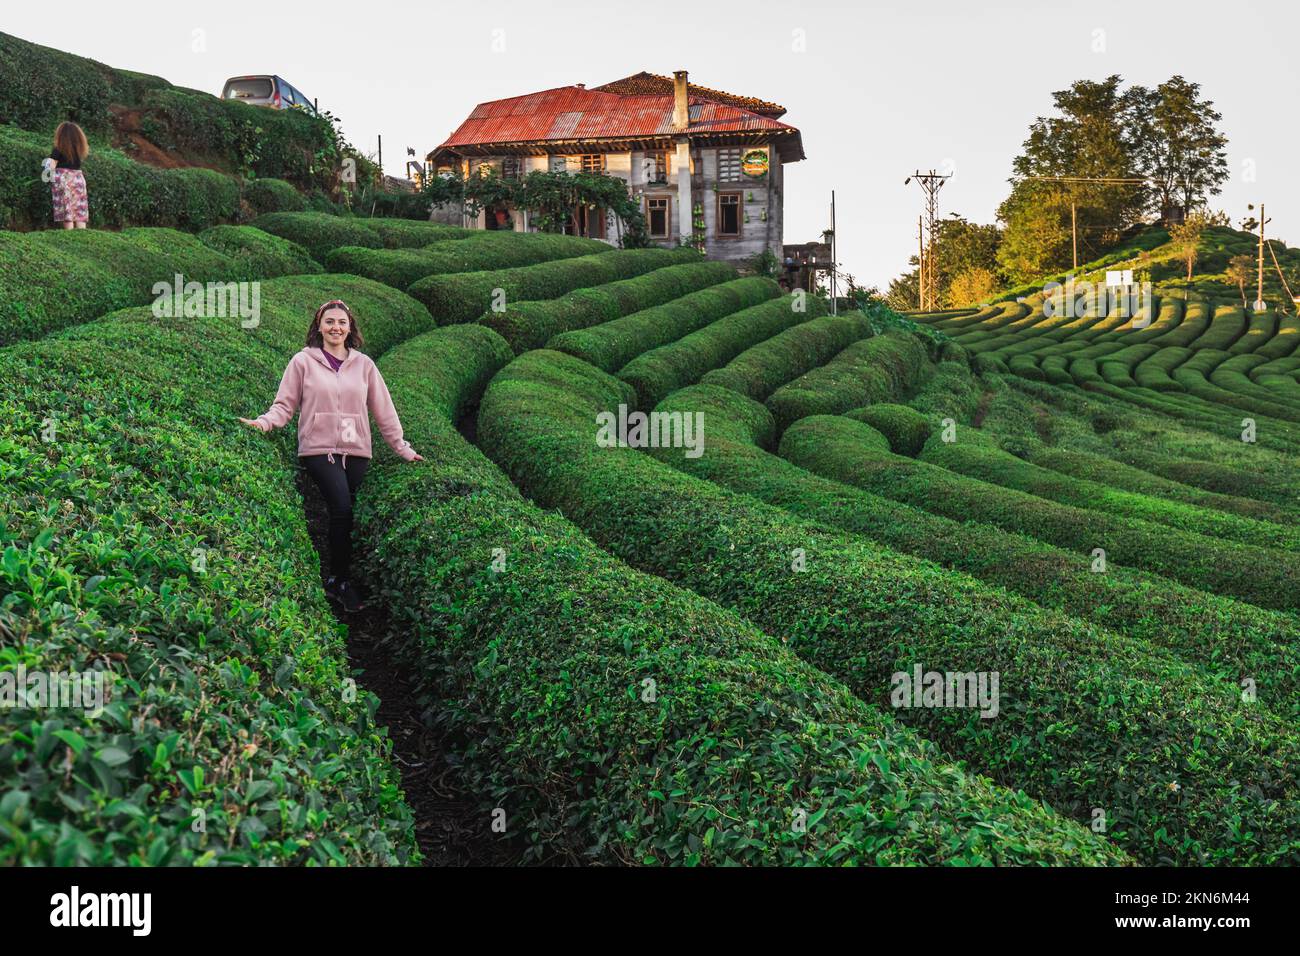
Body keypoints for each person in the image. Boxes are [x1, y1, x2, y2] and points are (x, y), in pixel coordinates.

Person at [239, 299, 423, 611]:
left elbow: (383, 411)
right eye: (329, 322)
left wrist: (402, 448)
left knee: (343, 512)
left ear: (350, 328)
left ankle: (335, 571)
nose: (335, 327)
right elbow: (285, 404)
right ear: (319, 326)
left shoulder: (364, 365)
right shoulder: (303, 361)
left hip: (356, 451)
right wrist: (265, 423)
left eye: (341, 322)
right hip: (318, 448)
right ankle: (337, 580)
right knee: (341, 508)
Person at [45, 122, 90, 229]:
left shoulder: (58, 148)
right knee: (79, 210)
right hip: (78, 178)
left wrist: (47, 175)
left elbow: (51, 165)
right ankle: (82, 235)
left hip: (63, 178)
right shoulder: (79, 149)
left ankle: (69, 234)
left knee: (66, 210)